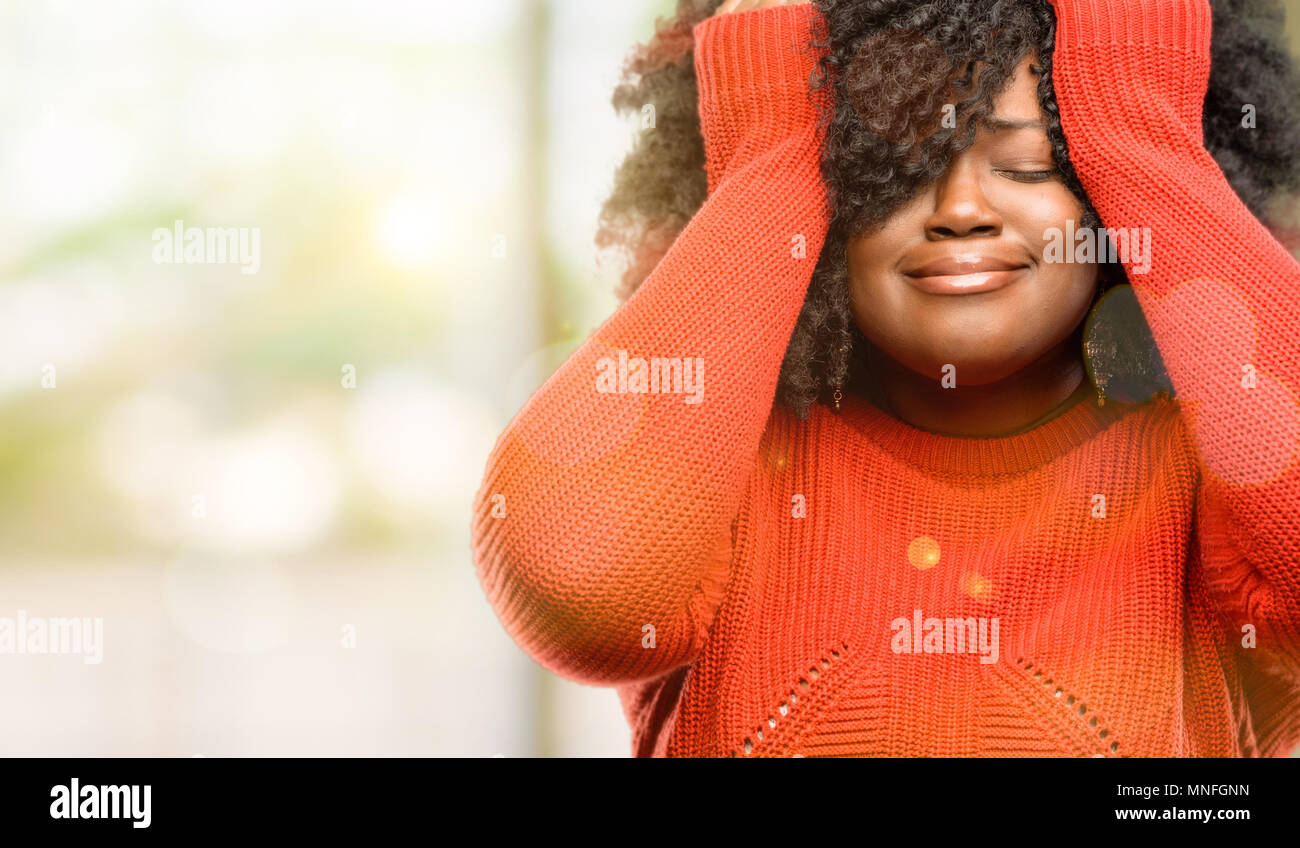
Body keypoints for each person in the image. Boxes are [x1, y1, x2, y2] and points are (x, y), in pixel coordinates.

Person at [472, 0, 1300, 757]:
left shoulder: (1214, 481)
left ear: (1111, 197)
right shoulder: (718, 469)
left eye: (1030, 165)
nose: (961, 207)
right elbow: (576, 582)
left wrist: (1137, 130)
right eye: (893, 169)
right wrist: (776, 144)